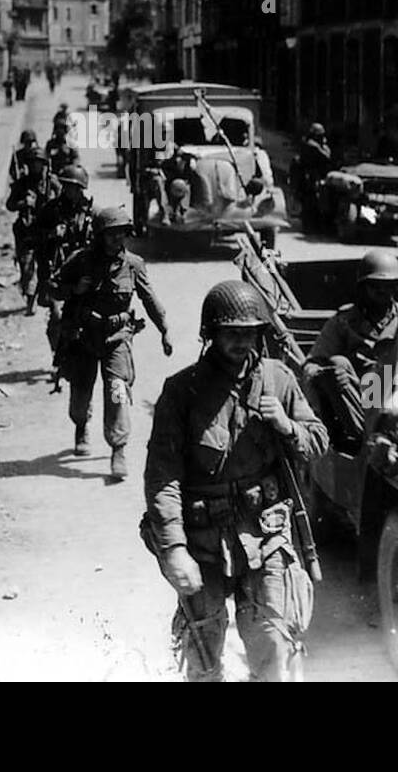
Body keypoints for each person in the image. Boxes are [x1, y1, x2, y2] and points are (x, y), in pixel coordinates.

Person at [143, 280, 328, 682]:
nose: (242, 342)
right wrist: (174, 549)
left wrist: (286, 425)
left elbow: (318, 443)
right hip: (202, 540)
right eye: (232, 333)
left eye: (250, 333)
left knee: (273, 642)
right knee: (204, 651)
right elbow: (163, 478)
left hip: (265, 535)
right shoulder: (181, 391)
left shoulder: (279, 379)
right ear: (211, 334)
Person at [53, 206, 172, 480]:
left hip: (117, 338)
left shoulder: (133, 264)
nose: (117, 240)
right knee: (80, 393)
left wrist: (164, 329)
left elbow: (149, 299)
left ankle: (118, 448)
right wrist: (74, 290)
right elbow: (53, 287)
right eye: (111, 235)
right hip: (84, 336)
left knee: (118, 391)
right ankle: (81, 425)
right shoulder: (80, 261)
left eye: (122, 234)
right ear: (99, 236)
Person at [301, 249, 398, 448]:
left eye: (389, 287)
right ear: (364, 287)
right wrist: (329, 376)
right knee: (338, 363)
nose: (383, 293)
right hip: (358, 403)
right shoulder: (342, 323)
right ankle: (364, 440)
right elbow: (312, 364)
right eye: (376, 287)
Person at [34, 162, 93, 336]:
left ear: (81, 188)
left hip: (85, 273)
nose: (68, 190)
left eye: (73, 187)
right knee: (58, 319)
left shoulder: (91, 212)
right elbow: (36, 240)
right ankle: (60, 358)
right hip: (59, 272)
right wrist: (52, 234)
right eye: (66, 185)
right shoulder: (50, 210)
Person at [7, 146, 50, 315]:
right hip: (26, 231)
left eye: (39, 163)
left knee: (46, 267)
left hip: (45, 230)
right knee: (26, 266)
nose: (35, 167)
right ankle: (29, 294)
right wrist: (23, 203)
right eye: (32, 163)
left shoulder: (49, 182)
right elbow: (10, 205)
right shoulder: (22, 183)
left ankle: (37, 296)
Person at [293, 123, 332, 230]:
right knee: (311, 201)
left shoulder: (316, 144)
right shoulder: (311, 145)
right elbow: (326, 157)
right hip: (310, 177)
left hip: (316, 175)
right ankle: (309, 223)